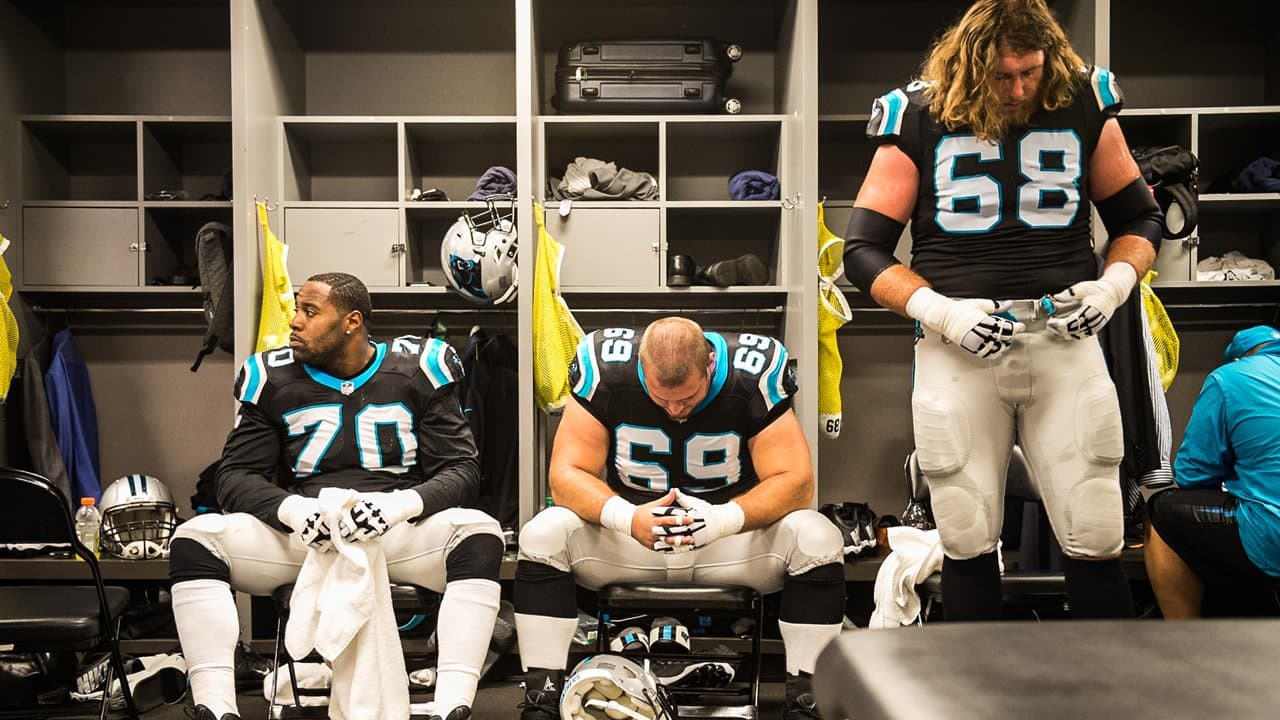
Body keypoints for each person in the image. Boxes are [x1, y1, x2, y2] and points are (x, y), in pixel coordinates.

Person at [842, 0, 1163, 621]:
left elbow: (1140, 217)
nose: (1018, 89)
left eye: (1031, 71)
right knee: (965, 534)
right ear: (967, 65)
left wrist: (1112, 285)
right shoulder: (917, 112)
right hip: (958, 347)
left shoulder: (1082, 97)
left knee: (1095, 530)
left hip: (1064, 339)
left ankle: (1122, 700)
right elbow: (863, 251)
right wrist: (941, 312)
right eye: (1001, 75)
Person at [168, 272, 503, 720]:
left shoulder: (418, 370)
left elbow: (462, 471)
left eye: (310, 311)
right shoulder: (271, 376)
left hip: (393, 534)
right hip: (311, 538)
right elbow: (235, 476)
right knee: (197, 538)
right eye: (296, 309)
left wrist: (395, 507)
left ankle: (451, 706)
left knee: (479, 532)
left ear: (352, 321)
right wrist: (296, 510)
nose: (294, 322)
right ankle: (214, 706)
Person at [514, 317, 845, 720]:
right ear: (640, 366)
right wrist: (628, 517)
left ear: (709, 365)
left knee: (818, 536)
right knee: (543, 533)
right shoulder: (605, 370)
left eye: (686, 398)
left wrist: (724, 519)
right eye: (662, 398)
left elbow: (796, 482)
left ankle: (807, 704)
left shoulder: (752, 374)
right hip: (633, 540)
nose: (674, 409)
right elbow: (565, 475)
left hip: (726, 541)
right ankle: (541, 700)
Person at [1146, 325, 1280, 618]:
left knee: (1163, 510)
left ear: (1237, 358)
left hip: (1272, 536)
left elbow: (1193, 475)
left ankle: (1186, 644)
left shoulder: (1229, 377)